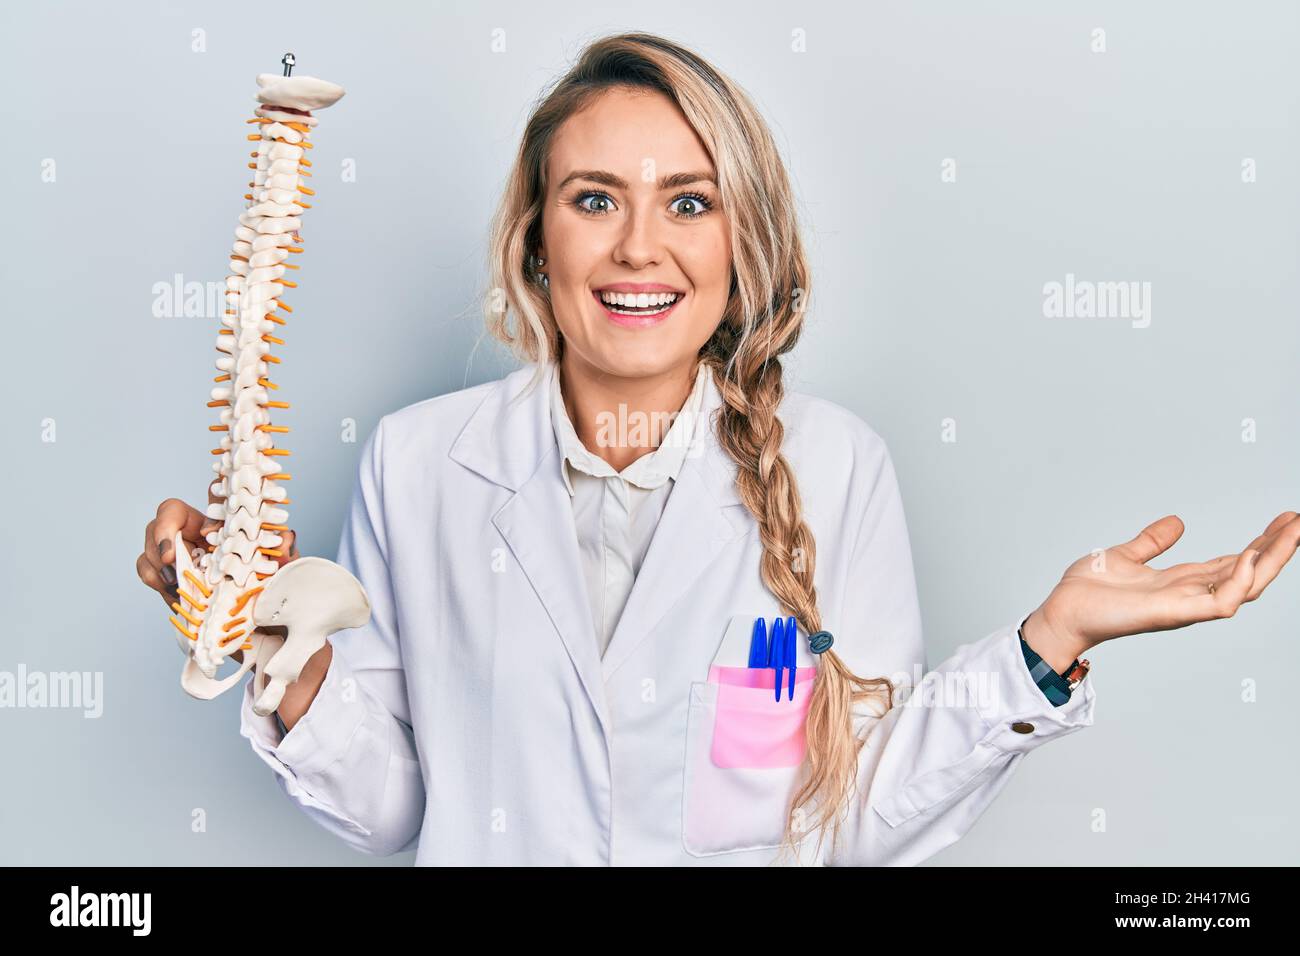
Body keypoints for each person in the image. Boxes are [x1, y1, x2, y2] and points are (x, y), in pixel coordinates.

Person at [136, 32, 1299, 866]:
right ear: (536, 242)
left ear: (743, 242)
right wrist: (268, 633)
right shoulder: (417, 462)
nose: (640, 247)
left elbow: (855, 821)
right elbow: (391, 807)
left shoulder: (837, 468)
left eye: (688, 203)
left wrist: (1050, 645)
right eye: (593, 199)